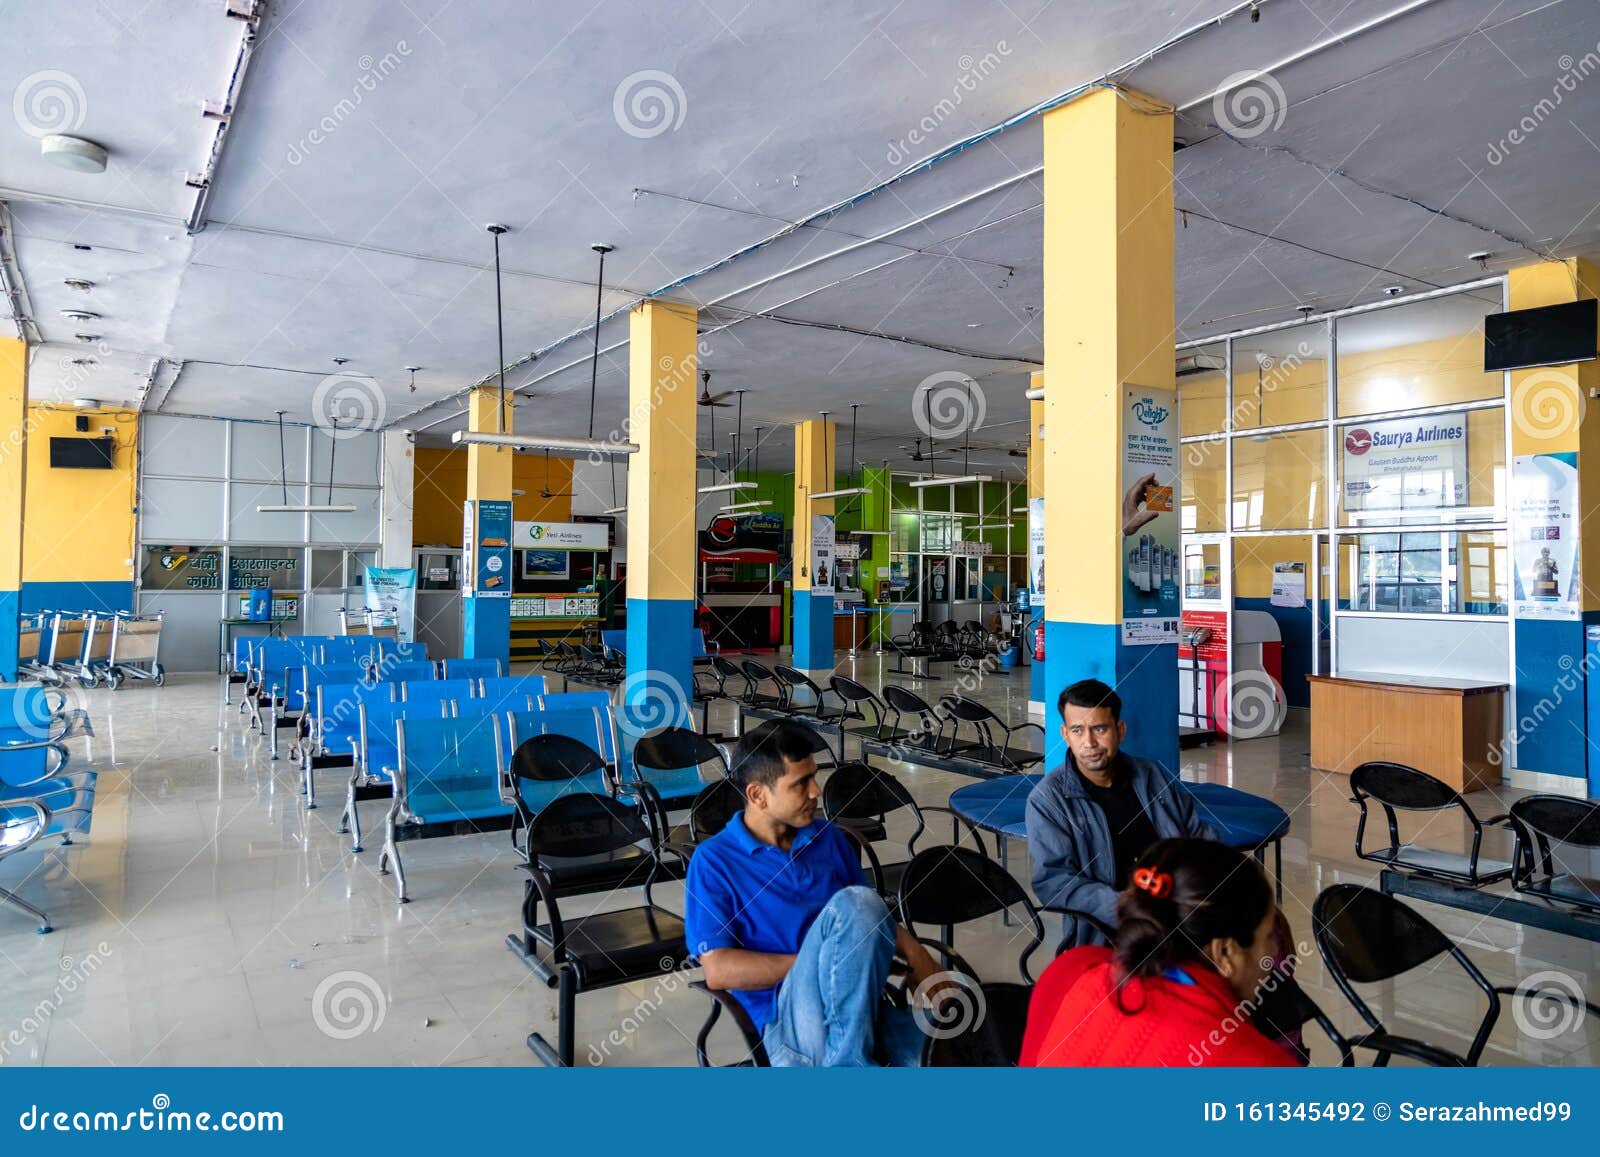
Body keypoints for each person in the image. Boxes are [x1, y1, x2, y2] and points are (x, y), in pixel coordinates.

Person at [683, 719, 944, 1066]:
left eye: (815, 777)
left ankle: (850, 1059)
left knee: (956, 1048)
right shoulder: (714, 861)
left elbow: (868, 922)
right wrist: (828, 964)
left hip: (860, 1010)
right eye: (800, 783)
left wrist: (915, 951)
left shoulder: (828, 838)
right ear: (757, 794)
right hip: (789, 1025)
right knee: (859, 901)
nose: (816, 792)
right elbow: (720, 971)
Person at [1020, 838, 1298, 1067]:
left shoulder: (1069, 968)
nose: (1273, 949)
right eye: (1265, 938)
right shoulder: (1255, 1063)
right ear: (1224, 952)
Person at [1025, 678, 1216, 944]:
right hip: (1108, 935)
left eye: (1100, 729)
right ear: (1065, 734)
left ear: (1120, 730)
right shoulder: (1049, 801)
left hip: (1180, 917)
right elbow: (1054, 883)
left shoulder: (1153, 777)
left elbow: (1200, 838)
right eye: (1078, 731)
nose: (1089, 742)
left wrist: (1201, 887)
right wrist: (1127, 908)